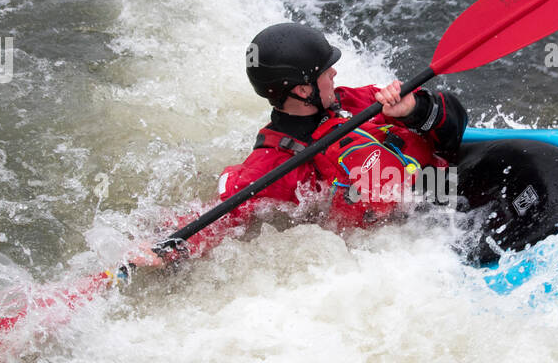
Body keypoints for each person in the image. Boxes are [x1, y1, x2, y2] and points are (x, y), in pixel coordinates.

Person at [131, 22, 468, 267]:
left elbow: (454, 128)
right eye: (325, 70)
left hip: (445, 190)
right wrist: (166, 246)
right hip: (414, 240)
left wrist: (414, 109)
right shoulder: (274, 166)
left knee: (518, 160)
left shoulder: (354, 101)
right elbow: (223, 214)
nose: (334, 73)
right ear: (302, 90)